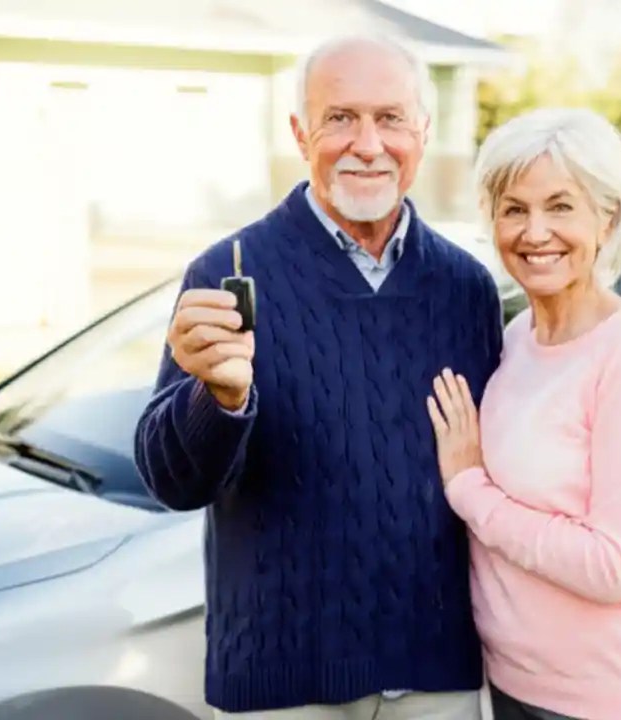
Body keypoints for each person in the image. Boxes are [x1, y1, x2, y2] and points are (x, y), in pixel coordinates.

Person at [133, 33, 503, 720]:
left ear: (422, 131)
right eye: (341, 118)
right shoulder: (227, 272)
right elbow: (173, 483)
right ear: (301, 132)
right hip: (281, 681)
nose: (368, 143)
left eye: (390, 117)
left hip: (435, 674)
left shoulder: (467, 288)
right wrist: (219, 398)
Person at [426, 107, 621, 720]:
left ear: (608, 217)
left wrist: (469, 489)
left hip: (614, 696)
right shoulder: (517, 336)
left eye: (560, 206)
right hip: (512, 685)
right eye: (513, 208)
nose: (534, 230)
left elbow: (610, 566)